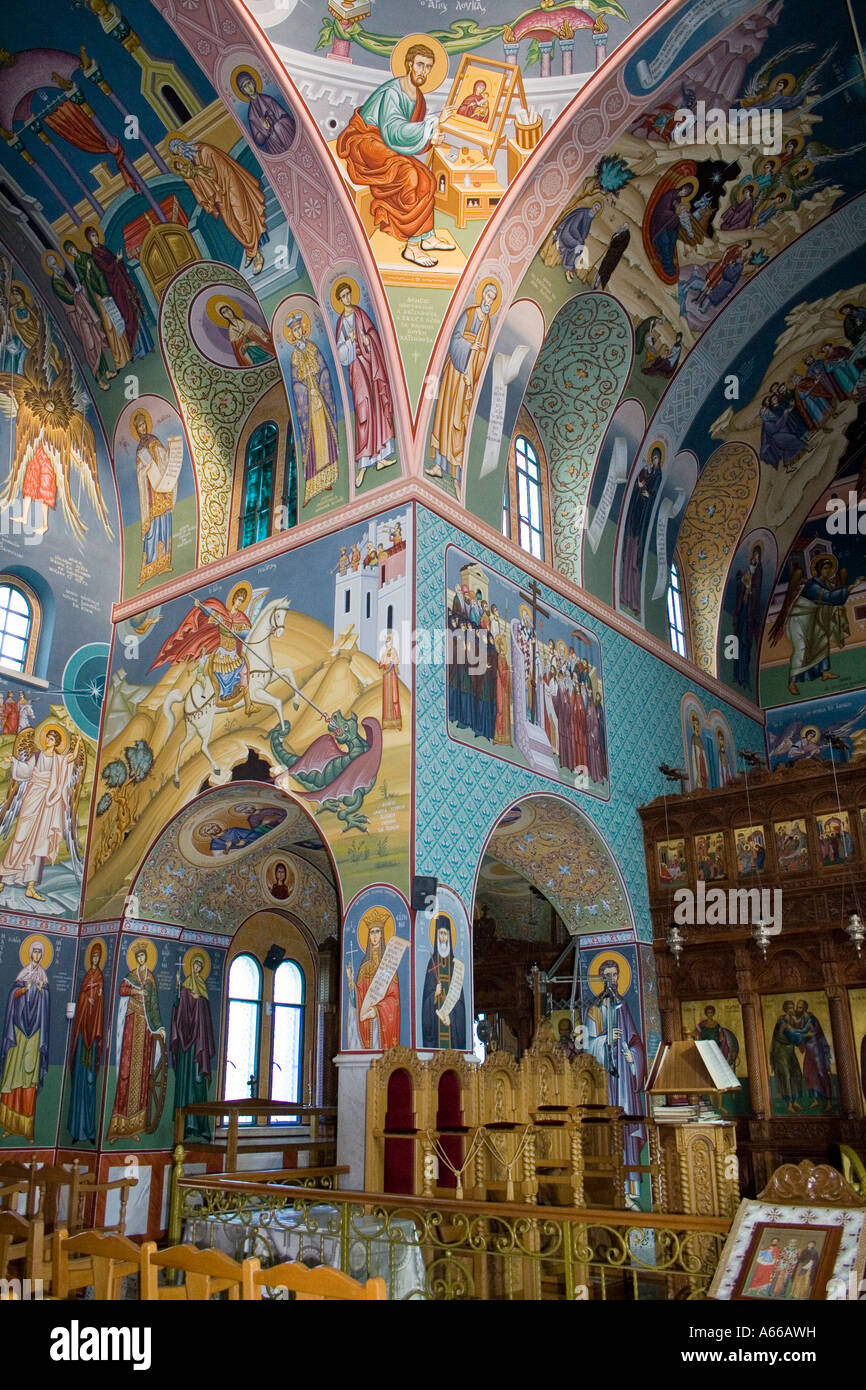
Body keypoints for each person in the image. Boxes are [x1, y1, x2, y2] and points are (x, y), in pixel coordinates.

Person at [336, 43, 455, 267]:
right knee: (409, 175)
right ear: (409, 63)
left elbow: (408, 139)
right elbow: (394, 132)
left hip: (386, 144)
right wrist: (432, 125)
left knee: (427, 178)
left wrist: (430, 139)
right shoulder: (394, 91)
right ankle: (412, 247)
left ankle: (425, 236)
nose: (423, 71)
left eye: (428, 67)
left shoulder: (417, 96)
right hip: (365, 141)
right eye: (420, 64)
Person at [584, 959, 646, 1203]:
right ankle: (614, 1187)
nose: (611, 979)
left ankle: (635, 1192)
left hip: (626, 1085)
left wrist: (633, 1056)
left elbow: (636, 1041)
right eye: (607, 975)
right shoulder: (595, 1009)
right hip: (607, 1081)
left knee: (629, 1131)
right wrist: (606, 1040)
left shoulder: (624, 1006)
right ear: (601, 979)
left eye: (614, 974)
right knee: (610, 1133)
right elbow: (588, 1047)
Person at [427, 281, 498, 489]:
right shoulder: (468, 313)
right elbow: (455, 339)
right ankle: (439, 465)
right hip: (454, 372)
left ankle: (457, 474)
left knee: (460, 423)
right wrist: (469, 346)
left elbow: (484, 353)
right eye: (486, 296)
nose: (488, 302)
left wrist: (473, 366)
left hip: (467, 379)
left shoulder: (488, 324)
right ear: (481, 296)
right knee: (444, 416)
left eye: (492, 299)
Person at [0, 726, 81, 901]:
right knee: (20, 838)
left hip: (47, 803)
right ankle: (3, 879)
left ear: (56, 743)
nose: (48, 741)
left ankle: (30, 886)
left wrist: (78, 743)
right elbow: (25, 771)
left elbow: (72, 759)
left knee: (39, 843)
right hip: (32, 798)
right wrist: (14, 761)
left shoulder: (59, 760)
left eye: (52, 739)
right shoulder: (36, 756)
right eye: (47, 738)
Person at [168, 136, 266, 274]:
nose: (180, 153)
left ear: (182, 144)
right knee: (230, 223)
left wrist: (203, 173)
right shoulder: (191, 164)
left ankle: (257, 255)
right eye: (176, 153)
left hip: (230, 185)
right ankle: (250, 250)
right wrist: (194, 175)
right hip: (220, 196)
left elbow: (222, 169)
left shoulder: (205, 150)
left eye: (178, 149)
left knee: (242, 217)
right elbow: (201, 186)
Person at [769, 554, 862, 696]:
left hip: (811, 619)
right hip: (798, 620)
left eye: (829, 569)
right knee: (801, 648)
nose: (828, 572)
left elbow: (832, 597)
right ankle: (792, 682)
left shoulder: (825, 584)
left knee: (823, 639)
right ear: (818, 570)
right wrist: (853, 586)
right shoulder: (812, 585)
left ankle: (824, 672)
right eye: (825, 569)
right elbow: (830, 598)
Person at [334, 282, 396, 487]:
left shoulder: (360, 313)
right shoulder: (341, 323)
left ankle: (382, 456)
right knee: (363, 412)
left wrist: (367, 340)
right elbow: (340, 354)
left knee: (377, 408)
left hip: (371, 366)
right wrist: (351, 343)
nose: (346, 298)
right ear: (339, 300)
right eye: (342, 296)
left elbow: (372, 334)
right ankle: (362, 466)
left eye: (348, 294)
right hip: (357, 370)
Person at [107, 942, 165, 1141]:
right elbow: (122, 990)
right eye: (138, 957)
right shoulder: (131, 976)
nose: (140, 960)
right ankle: (118, 1126)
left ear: (146, 959)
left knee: (141, 1076)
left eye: (143, 957)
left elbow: (155, 1005)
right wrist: (136, 992)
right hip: (131, 1026)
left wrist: (160, 1027)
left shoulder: (150, 978)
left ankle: (135, 1127)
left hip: (146, 1029)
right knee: (126, 1072)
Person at [284, 312, 339, 504]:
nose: (298, 332)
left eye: (299, 328)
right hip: (308, 400)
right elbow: (294, 382)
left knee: (325, 434)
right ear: (292, 335)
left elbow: (324, 368)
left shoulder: (313, 347)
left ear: (304, 329)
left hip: (320, 398)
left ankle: (329, 476)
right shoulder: (294, 356)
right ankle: (313, 483)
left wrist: (320, 378)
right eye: (294, 331)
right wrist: (305, 389)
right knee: (312, 440)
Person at [0, 937, 50, 1140]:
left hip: (35, 1034)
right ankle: (9, 1125)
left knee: (30, 1079)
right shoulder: (22, 975)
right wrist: (24, 989)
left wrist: (39, 990)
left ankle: (27, 1128)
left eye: (40, 952)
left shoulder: (43, 979)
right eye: (34, 952)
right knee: (13, 1076)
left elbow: (46, 1004)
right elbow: (13, 996)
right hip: (18, 1033)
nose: (37, 956)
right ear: (30, 954)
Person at [83, 226, 151, 361]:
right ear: (89, 239)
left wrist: (118, 261)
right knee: (128, 314)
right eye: (92, 236)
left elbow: (113, 263)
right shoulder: (95, 253)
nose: (95, 238)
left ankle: (148, 345)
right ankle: (138, 351)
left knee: (135, 308)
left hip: (122, 281)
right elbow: (107, 268)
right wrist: (117, 260)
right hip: (116, 286)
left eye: (95, 235)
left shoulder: (102, 248)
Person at [170, 951, 216, 1141]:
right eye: (195, 965)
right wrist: (180, 992)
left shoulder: (202, 988)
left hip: (198, 1044)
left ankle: (201, 1126)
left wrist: (199, 1000)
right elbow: (179, 1010)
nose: (196, 968)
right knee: (186, 1082)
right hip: (186, 1047)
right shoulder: (185, 985)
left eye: (199, 966)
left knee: (198, 1082)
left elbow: (205, 1016)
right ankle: (187, 1125)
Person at [133, 410, 180, 585]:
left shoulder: (154, 441)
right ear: (136, 430)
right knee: (152, 529)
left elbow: (164, 460)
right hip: (151, 495)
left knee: (165, 525)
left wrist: (168, 457)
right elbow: (140, 474)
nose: (142, 428)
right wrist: (143, 471)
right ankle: (149, 565)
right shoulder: (140, 449)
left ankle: (164, 563)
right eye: (139, 427)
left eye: (143, 425)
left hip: (161, 490)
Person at [68, 941, 104, 1144]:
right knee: (81, 1082)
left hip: (93, 1036)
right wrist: (85, 1000)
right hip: (82, 1033)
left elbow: (100, 1001)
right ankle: (76, 1130)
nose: (95, 960)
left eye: (98, 957)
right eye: (94, 956)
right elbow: (83, 995)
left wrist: (96, 999)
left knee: (91, 1083)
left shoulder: (99, 978)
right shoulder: (87, 977)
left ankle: (89, 1130)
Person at [346, 914, 401, 1049]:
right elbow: (357, 998)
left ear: (382, 935)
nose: (375, 936)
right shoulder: (364, 967)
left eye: (377, 932)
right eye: (372, 932)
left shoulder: (388, 966)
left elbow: (394, 999)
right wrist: (351, 983)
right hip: (369, 1024)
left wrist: (377, 1010)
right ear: (369, 936)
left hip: (381, 1021)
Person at [620, 446, 662, 614]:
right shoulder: (646, 471)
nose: (654, 461)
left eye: (657, 459)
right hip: (635, 517)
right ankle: (625, 595)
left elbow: (653, 493)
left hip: (643, 523)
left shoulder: (658, 476)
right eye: (653, 458)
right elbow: (639, 488)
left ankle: (634, 600)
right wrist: (639, 487)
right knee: (629, 554)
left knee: (636, 560)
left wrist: (647, 494)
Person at [421, 915, 466, 1049]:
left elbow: (460, 1002)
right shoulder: (432, 963)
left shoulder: (454, 965)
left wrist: (451, 1018)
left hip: (451, 1025)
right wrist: (434, 994)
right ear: (436, 936)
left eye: (446, 934)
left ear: (450, 937)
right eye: (441, 933)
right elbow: (425, 1001)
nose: (443, 937)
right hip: (436, 1026)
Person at [235, 68, 296, 155]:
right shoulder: (251, 115)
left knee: (278, 127)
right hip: (274, 146)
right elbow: (258, 140)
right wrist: (265, 129)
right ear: (243, 91)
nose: (249, 88)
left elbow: (286, 117)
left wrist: (275, 122)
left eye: (249, 83)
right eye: (245, 86)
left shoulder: (268, 100)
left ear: (253, 82)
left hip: (285, 135)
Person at [769, 1001, 804, 1113]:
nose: (791, 1009)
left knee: (797, 1073)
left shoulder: (793, 1020)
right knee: (786, 1075)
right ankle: (789, 1103)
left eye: (792, 1007)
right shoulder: (782, 1021)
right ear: (785, 1009)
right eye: (789, 1008)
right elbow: (784, 1035)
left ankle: (795, 1100)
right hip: (781, 1052)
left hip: (790, 1051)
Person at [217, 302, 274, 367]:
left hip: (260, 344)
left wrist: (261, 336)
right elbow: (238, 350)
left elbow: (256, 328)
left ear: (231, 310)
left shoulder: (244, 321)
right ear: (223, 316)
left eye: (227, 310)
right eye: (224, 312)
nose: (228, 313)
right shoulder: (231, 331)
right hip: (251, 353)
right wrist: (248, 344)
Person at [378, 632, 402, 731]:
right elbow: (381, 663)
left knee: (394, 697)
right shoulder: (384, 653)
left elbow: (395, 662)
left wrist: (389, 666)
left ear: (392, 643)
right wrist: (381, 664)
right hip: (386, 677)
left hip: (391, 675)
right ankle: (386, 723)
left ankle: (397, 723)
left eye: (389, 642)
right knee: (386, 699)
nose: (388, 643)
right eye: (386, 642)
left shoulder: (394, 651)